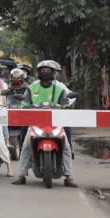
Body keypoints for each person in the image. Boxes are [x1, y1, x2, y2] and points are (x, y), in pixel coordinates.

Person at [12, 59, 76, 187]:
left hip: (56, 123)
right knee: (26, 146)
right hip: (36, 123)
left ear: (53, 73)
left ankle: (69, 177)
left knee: (67, 147)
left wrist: (65, 107)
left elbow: (65, 104)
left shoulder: (59, 89)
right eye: (43, 71)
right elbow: (25, 102)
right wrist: (25, 107)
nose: (45, 73)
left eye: (48, 71)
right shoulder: (31, 87)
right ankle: (21, 174)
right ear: (39, 73)